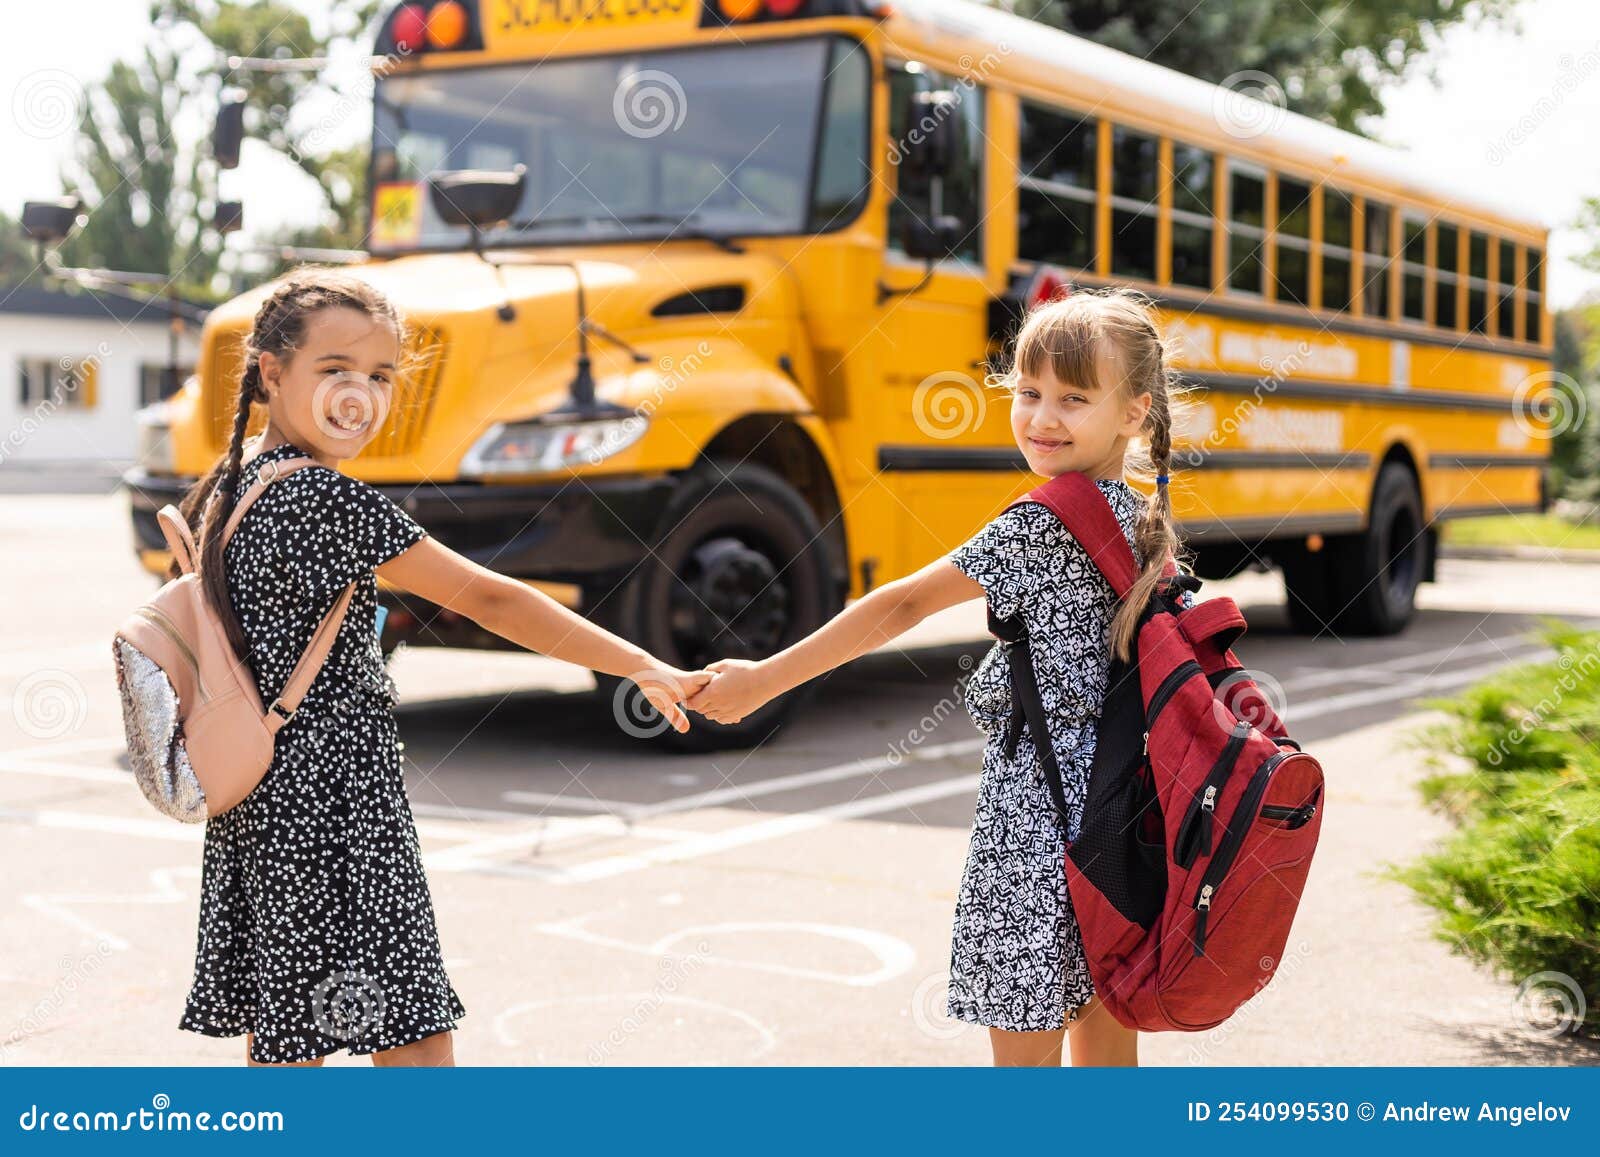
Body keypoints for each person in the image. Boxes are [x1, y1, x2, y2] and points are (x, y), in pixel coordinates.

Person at [172, 268, 708, 1066]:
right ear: (272, 372)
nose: (359, 394)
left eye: (380, 376)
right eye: (334, 371)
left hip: (259, 796)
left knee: (286, 1040)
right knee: (416, 1038)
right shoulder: (328, 499)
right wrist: (637, 660)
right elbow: (492, 600)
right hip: (339, 801)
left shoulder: (233, 484)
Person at [687, 286, 1198, 1067]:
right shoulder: (1137, 516)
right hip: (1125, 821)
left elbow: (900, 606)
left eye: (1072, 398)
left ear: (1132, 412)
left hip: (1039, 824)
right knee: (1108, 1057)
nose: (1042, 417)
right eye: (1028, 393)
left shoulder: (1042, 521)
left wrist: (765, 679)